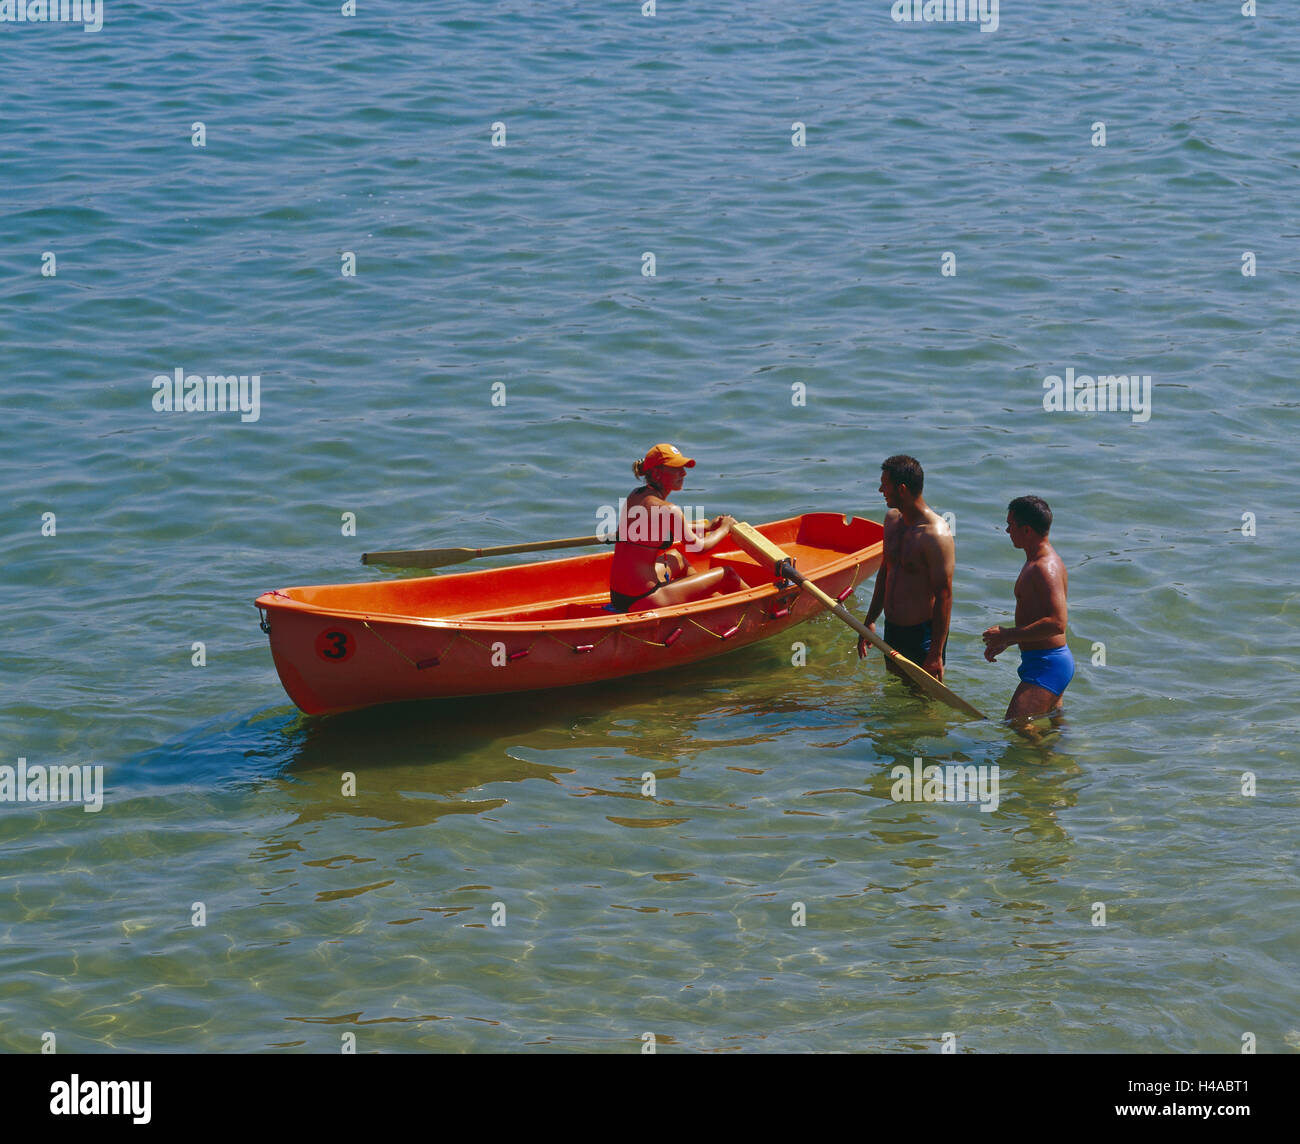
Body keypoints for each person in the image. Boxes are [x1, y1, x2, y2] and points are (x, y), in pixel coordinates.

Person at [608, 444, 742, 613]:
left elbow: (664, 526)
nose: (684, 473)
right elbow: (699, 548)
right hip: (645, 598)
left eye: (683, 468)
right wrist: (724, 528)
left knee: (676, 557)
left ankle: (712, 605)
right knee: (727, 574)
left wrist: (706, 526)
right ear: (656, 474)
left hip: (619, 596)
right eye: (676, 469)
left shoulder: (636, 495)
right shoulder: (670, 510)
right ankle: (759, 612)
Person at [856, 455, 953, 682]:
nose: (880, 489)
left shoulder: (935, 534)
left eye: (885, 484)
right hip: (893, 630)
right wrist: (870, 620)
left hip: (922, 635)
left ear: (901, 489)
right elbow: (885, 572)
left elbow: (944, 595)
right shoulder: (891, 521)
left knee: (923, 702)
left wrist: (936, 653)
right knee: (897, 693)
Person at [982, 495, 1073, 722]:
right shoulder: (1036, 561)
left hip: (1048, 665)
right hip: (1044, 661)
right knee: (1053, 732)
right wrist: (1008, 641)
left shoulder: (1045, 567)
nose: (1006, 531)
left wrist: (1007, 633)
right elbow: (1038, 615)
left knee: (1017, 727)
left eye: (1010, 525)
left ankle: (1045, 757)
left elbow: (1057, 623)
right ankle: (1057, 757)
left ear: (1027, 530)